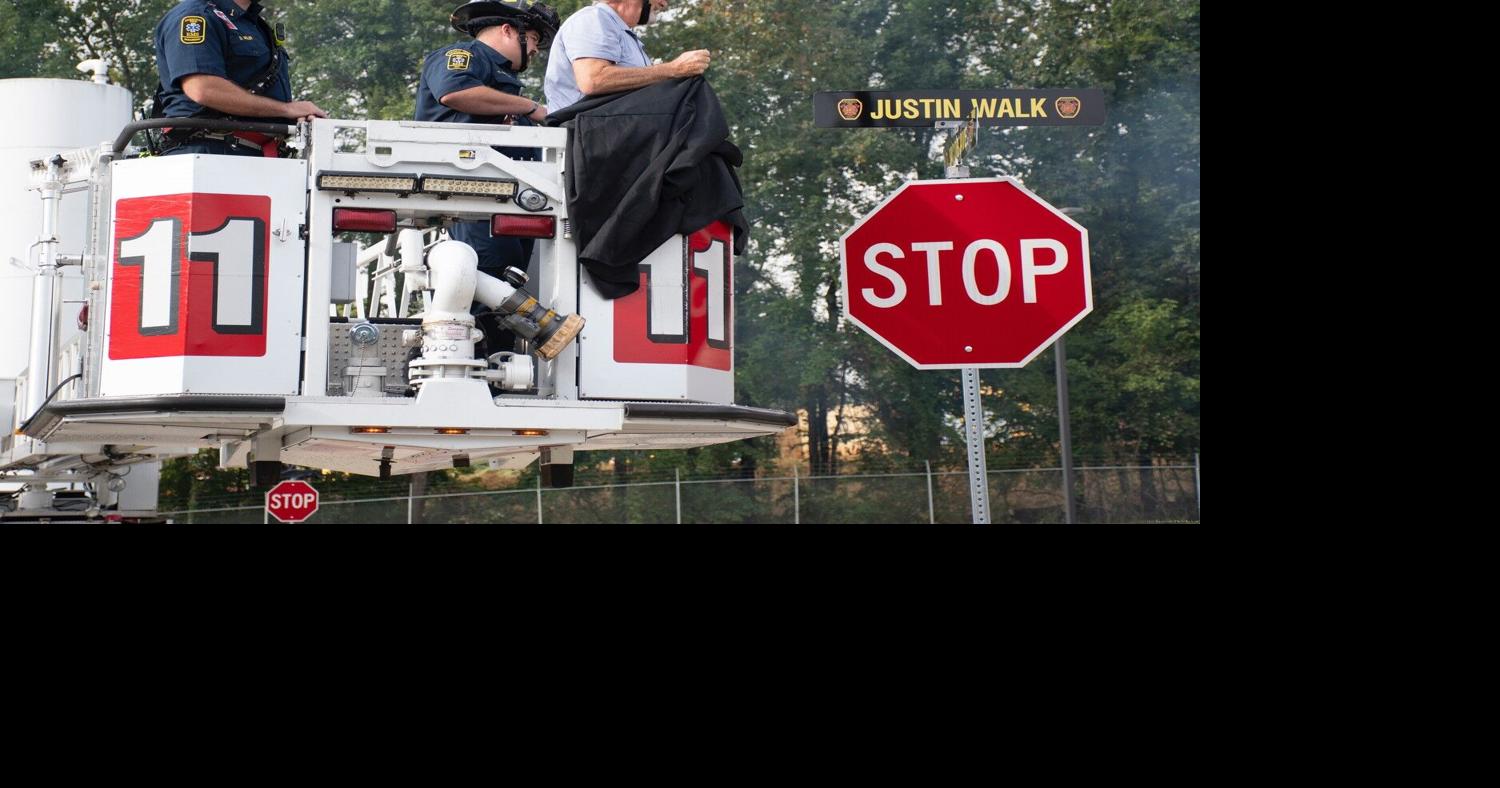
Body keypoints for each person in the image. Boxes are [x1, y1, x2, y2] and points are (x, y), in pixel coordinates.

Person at [416, 0, 560, 280]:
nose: (533, 50)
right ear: (507, 30)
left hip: (510, 197)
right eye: (532, 39)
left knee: (508, 281)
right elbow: (455, 92)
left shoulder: (504, 81)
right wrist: (530, 108)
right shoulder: (462, 55)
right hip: (474, 193)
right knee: (490, 280)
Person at [152, 0, 326, 156]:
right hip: (209, 152)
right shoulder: (196, 16)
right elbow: (203, 89)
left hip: (254, 154)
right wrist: (286, 110)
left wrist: (295, 114)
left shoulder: (253, 24)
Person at [543, 0, 710, 114]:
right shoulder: (593, 18)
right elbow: (593, 79)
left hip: (615, 134)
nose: (664, 3)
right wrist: (674, 69)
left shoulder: (622, 33)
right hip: (588, 138)